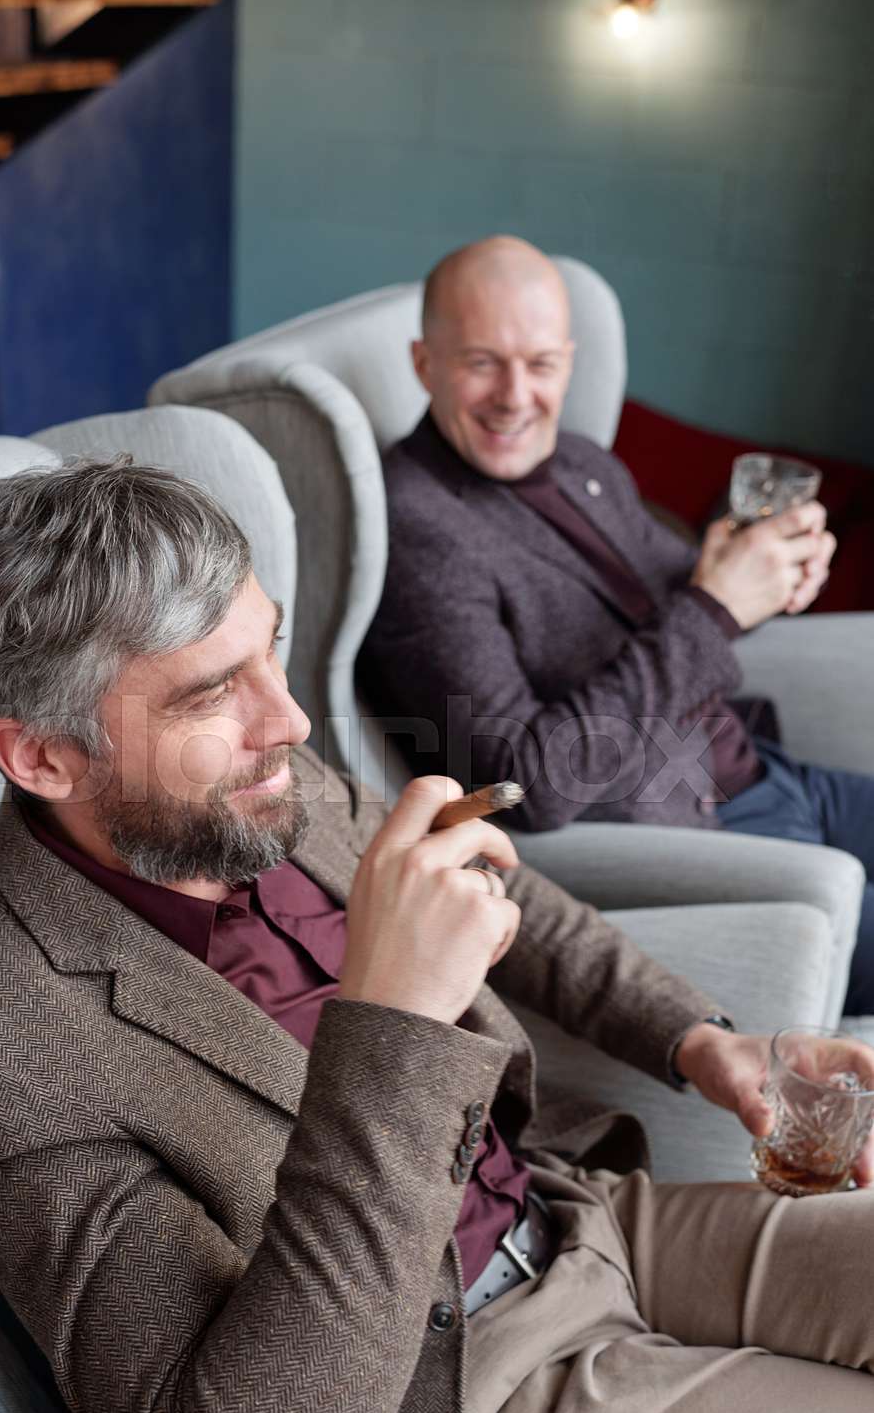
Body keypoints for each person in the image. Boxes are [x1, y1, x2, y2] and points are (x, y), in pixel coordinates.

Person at [0, 459, 874, 1413]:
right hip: (469, 1399)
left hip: (581, 1216)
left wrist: (700, 1041)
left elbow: (497, 887)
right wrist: (396, 1027)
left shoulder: (258, 780)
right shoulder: (8, 1062)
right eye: (209, 692)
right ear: (41, 754)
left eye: (267, 645)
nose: (292, 717)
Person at [358, 234, 874, 1015]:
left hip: (762, 767)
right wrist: (720, 604)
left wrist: (764, 568)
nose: (515, 396)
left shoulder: (580, 463)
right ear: (426, 364)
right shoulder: (422, 527)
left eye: (540, 364)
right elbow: (524, 781)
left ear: (569, 361)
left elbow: (689, 594)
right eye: (481, 362)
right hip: (706, 823)